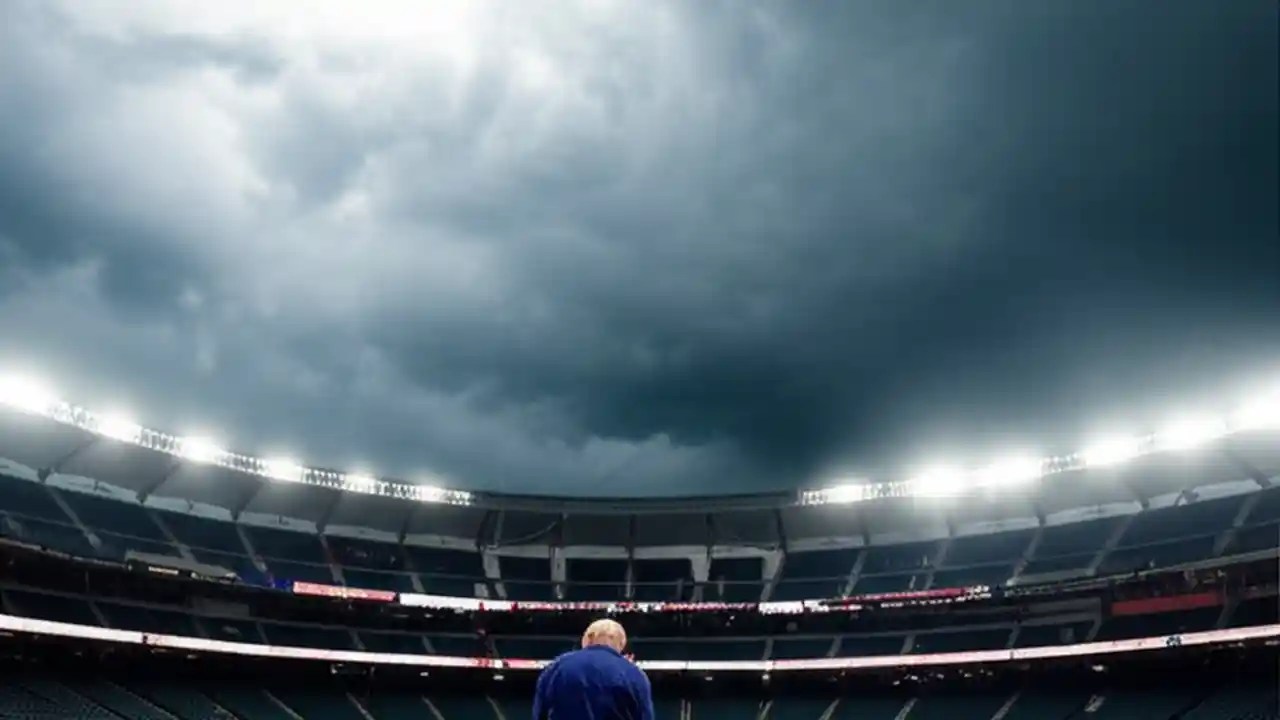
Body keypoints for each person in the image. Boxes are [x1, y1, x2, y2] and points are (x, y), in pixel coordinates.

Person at [533, 619, 654, 720]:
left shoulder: (556, 667)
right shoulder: (634, 675)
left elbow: (539, 714)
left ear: (587, 639)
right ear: (621, 644)